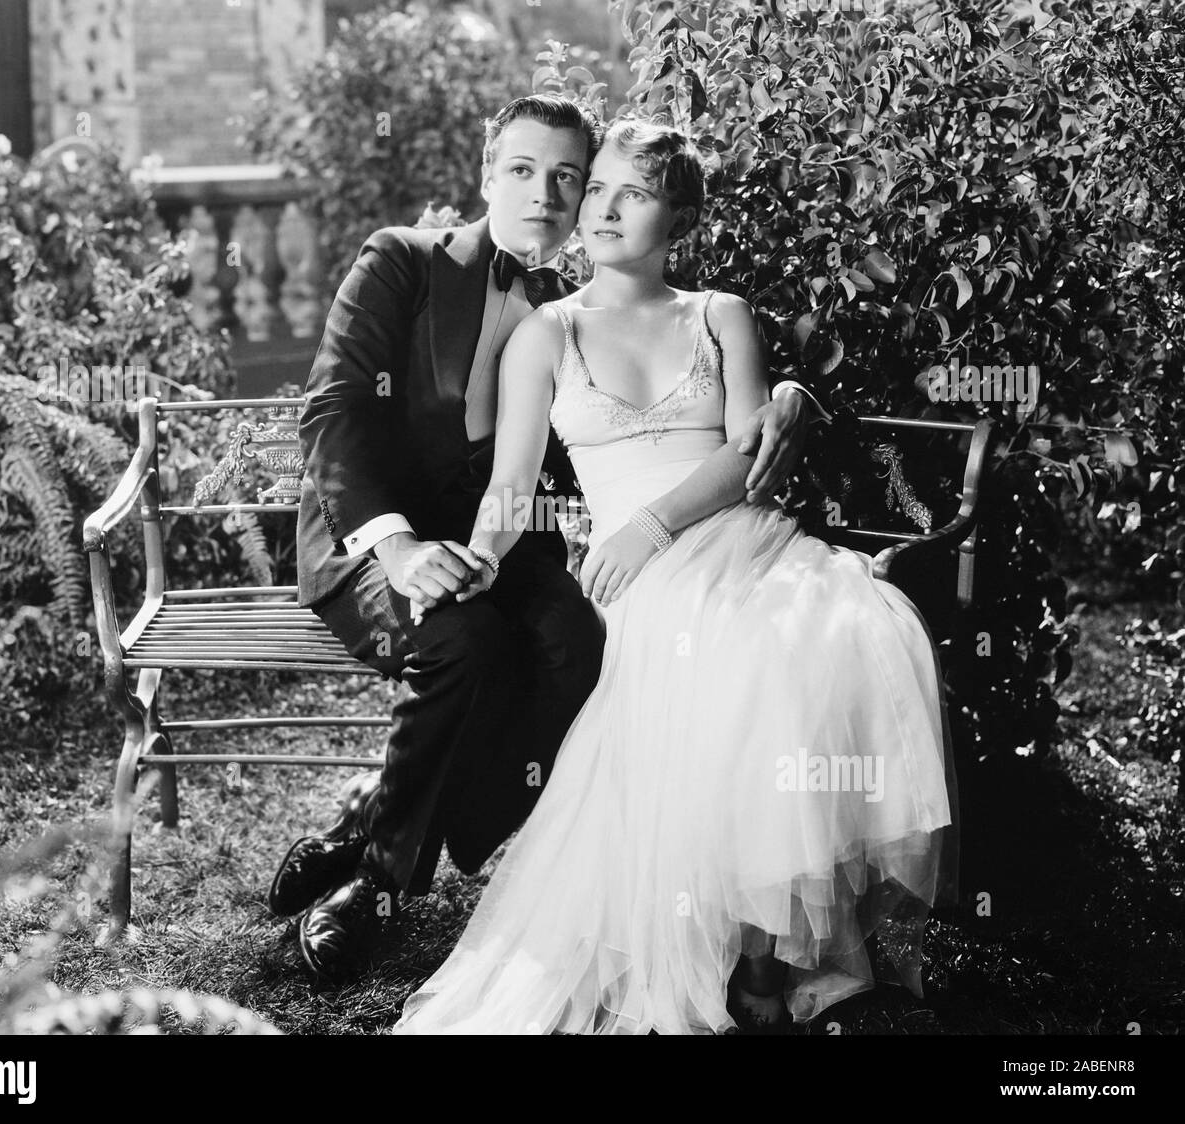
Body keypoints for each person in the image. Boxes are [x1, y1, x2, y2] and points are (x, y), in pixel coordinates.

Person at [393, 117, 958, 1034]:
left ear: (681, 218)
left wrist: (655, 523)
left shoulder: (718, 314)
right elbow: (510, 484)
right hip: (640, 577)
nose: (606, 208)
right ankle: (729, 954)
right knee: (726, 659)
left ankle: (766, 964)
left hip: (742, 540)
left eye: (637, 193)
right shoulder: (548, 332)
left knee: (823, 639)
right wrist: (478, 559)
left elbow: (747, 455)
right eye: (599, 189)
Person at [278, 96, 823, 984]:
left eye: (568, 177)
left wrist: (789, 398)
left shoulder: (560, 308)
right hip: (376, 548)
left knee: (579, 645)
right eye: (524, 170)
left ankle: (386, 809)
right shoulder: (402, 261)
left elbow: (599, 450)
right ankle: (376, 883)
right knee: (466, 644)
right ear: (488, 173)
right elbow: (334, 414)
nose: (546, 194)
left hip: (502, 544)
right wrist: (401, 547)